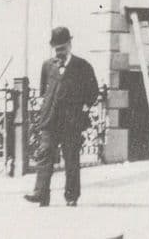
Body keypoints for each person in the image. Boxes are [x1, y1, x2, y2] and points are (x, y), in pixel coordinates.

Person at [25, 26, 100, 207]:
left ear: (69, 45)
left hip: (71, 121)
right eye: (57, 49)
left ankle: (71, 195)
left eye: (63, 48)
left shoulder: (82, 66)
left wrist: (82, 108)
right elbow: (45, 91)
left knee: (71, 158)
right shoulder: (47, 66)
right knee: (44, 154)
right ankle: (41, 193)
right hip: (50, 119)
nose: (59, 52)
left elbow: (93, 92)